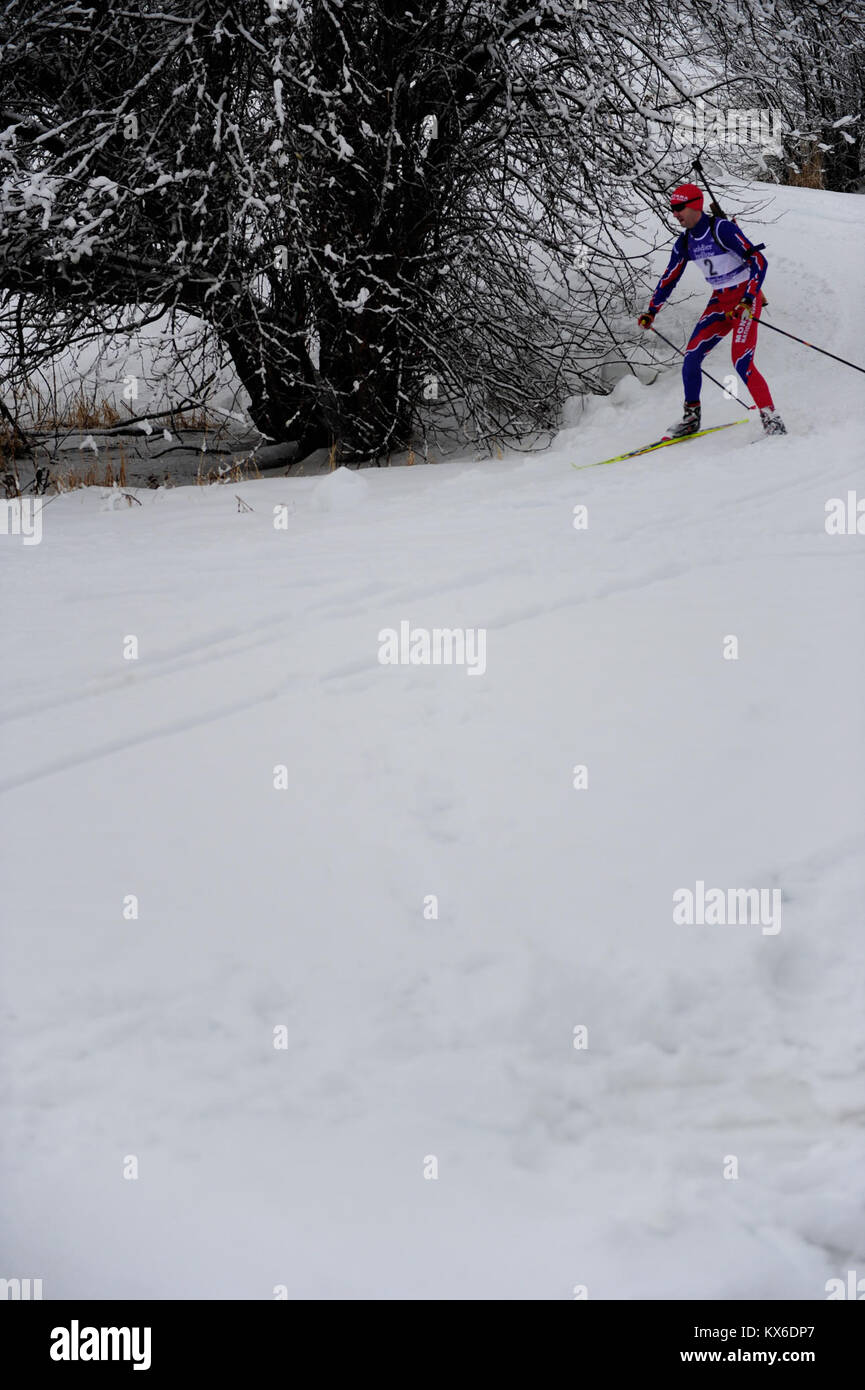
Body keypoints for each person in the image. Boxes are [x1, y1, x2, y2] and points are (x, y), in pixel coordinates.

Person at [638, 183, 786, 436]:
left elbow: (758, 261)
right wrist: (652, 310)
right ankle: (691, 419)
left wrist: (748, 299)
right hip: (719, 301)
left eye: (678, 208)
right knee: (691, 358)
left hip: (744, 299)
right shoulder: (684, 242)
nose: (674, 214)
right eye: (672, 208)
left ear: (695, 205)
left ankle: (772, 420)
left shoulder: (722, 229)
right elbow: (669, 277)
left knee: (741, 361)